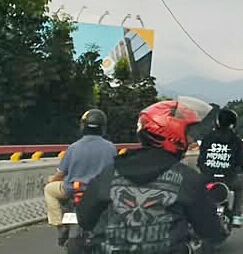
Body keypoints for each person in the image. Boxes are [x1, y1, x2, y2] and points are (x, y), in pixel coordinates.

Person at [76, 97, 227, 252]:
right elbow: (211, 231)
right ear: (172, 133)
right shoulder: (188, 179)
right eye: (188, 133)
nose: (191, 139)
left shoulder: (109, 173)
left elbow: (85, 218)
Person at [44, 109, 116, 245]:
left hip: (74, 189)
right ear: (103, 127)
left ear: (83, 126)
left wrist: (51, 180)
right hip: (101, 192)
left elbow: (61, 173)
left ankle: (59, 224)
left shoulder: (74, 147)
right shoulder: (111, 148)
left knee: (49, 189)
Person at [196, 107, 243, 225]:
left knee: (196, 191)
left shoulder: (207, 138)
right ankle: (236, 216)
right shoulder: (236, 141)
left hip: (207, 177)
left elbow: (201, 159)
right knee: (240, 188)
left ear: (217, 121)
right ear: (233, 123)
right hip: (229, 178)